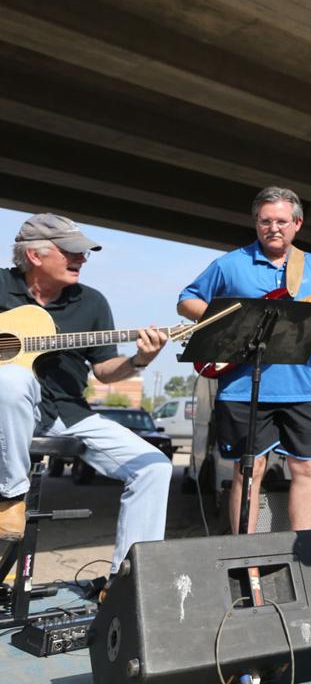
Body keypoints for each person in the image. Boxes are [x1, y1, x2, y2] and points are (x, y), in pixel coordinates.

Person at [177, 187, 311, 533]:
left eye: (281, 221)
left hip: (300, 389)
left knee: (306, 469)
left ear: (297, 224)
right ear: (256, 223)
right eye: (265, 221)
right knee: (249, 471)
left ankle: (304, 547)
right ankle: (246, 557)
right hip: (242, 389)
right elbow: (186, 301)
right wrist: (229, 324)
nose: (273, 228)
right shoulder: (230, 264)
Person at [0, 214, 171, 578]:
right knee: (12, 380)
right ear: (34, 255)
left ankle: (128, 582)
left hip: (67, 412)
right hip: (8, 409)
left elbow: (106, 370)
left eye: (84, 253)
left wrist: (141, 359)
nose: (82, 260)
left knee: (154, 467)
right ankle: (11, 496)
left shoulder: (91, 302)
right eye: (72, 252)